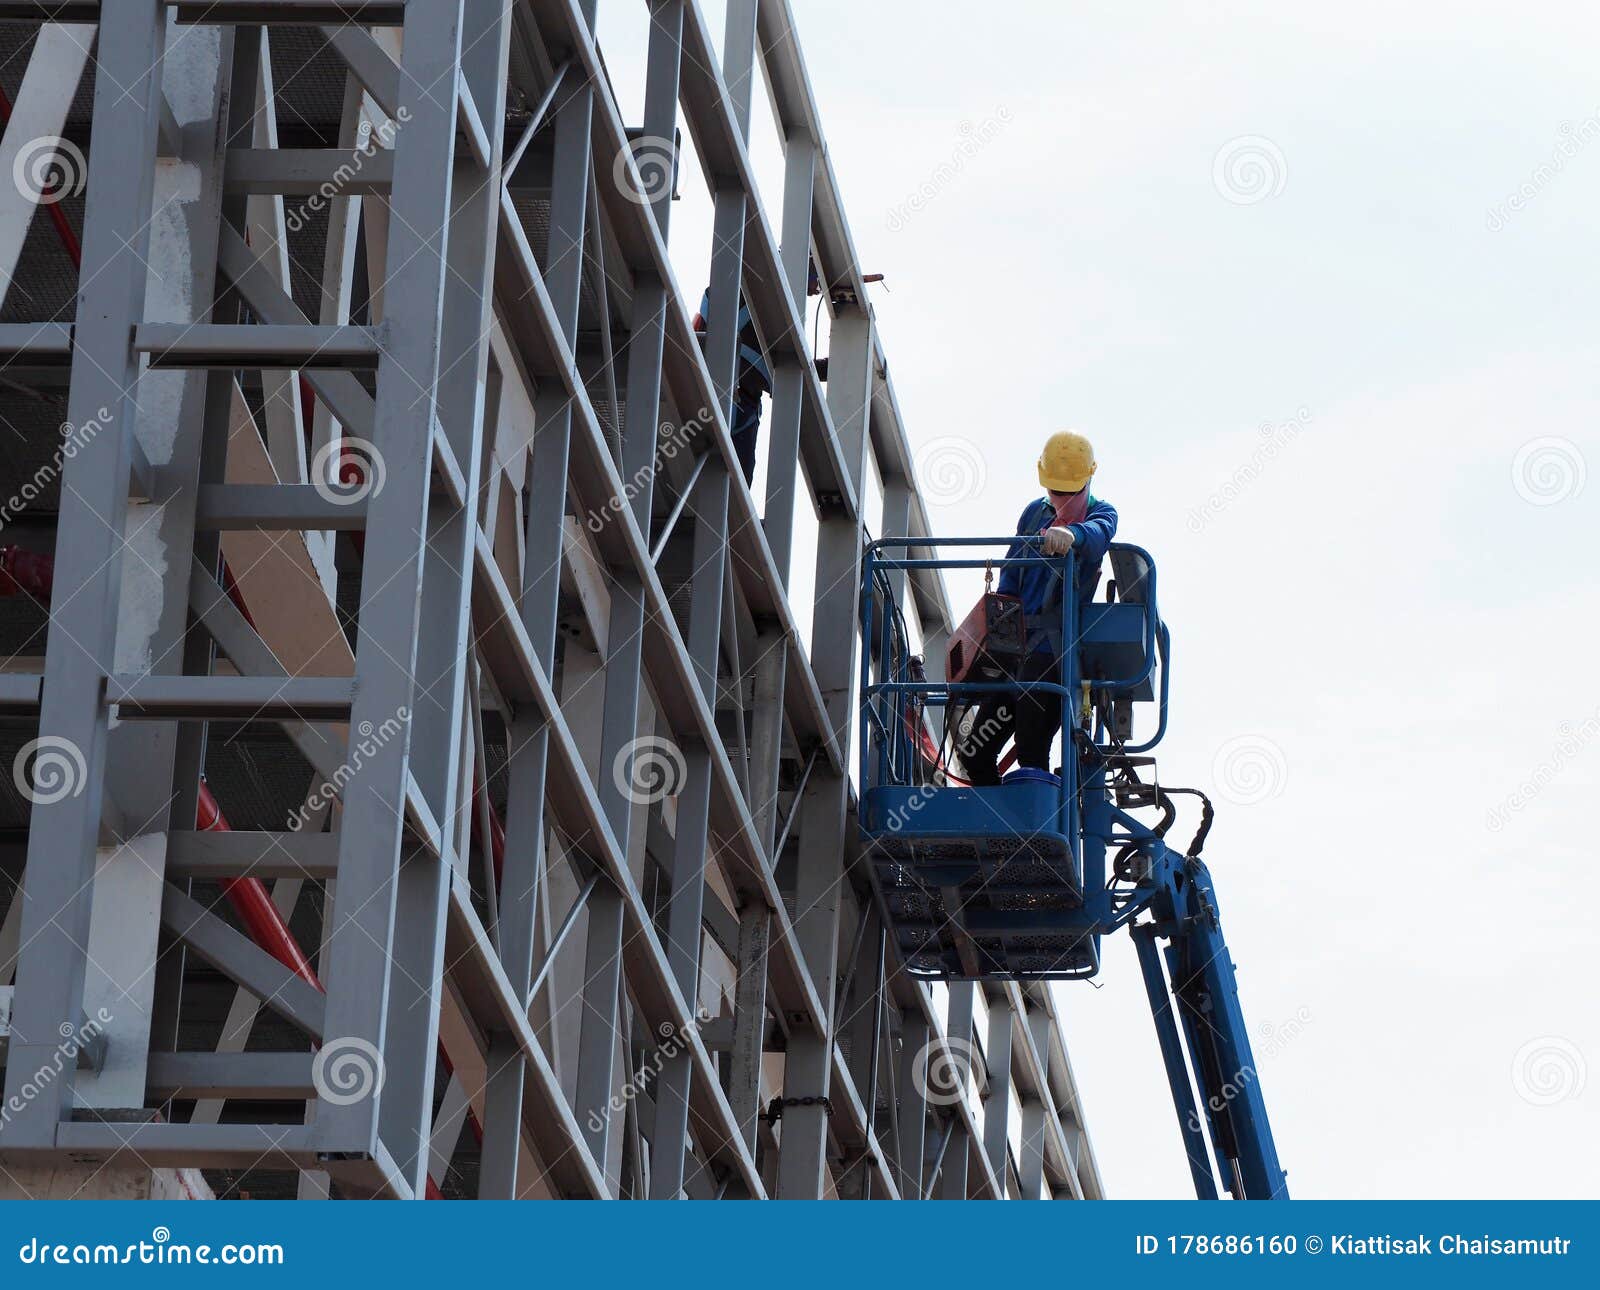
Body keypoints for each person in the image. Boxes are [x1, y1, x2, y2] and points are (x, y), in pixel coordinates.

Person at [961, 431, 1118, 786]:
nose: (1061, 498)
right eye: (1055, 490)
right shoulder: (1034, 515)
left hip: (1052, 654)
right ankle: (999, 819)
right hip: (1016, 651)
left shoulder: (1101, 512)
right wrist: (996, 631)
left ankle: (1034, 819)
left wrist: (1073, 535)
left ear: (1088, 479)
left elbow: (1098, 533)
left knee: (1032, 740)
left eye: (1069, 491)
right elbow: (1011, 573)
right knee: (975, 751)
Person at [693, 288, 771, 484]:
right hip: (736, 411)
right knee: (735, 488)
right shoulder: (772, 317)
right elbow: (781, 376)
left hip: (699, 391)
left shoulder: (716, 292)